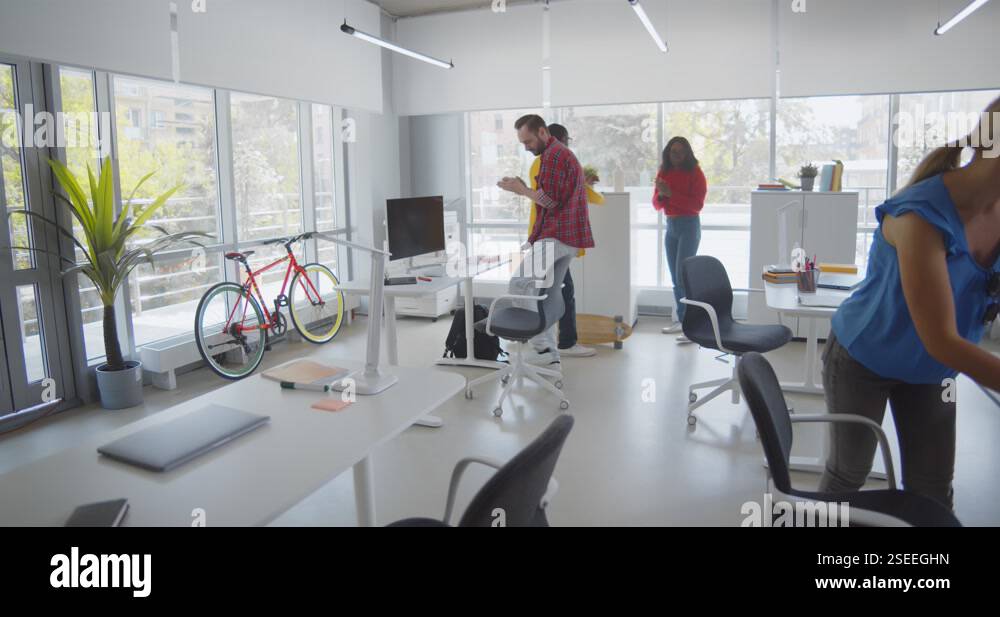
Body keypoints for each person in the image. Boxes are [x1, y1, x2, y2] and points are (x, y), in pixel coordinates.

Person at [820, 96, 1000, 509]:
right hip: (863, 358)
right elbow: (941, 340)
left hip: (933, 373)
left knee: (932, 488)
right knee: (849, 474)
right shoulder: (920, 216)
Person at [496, 115, 595, 367]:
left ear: (542, 132)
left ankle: (537, 346)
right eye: (522, 142)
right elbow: (552, 199)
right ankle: (546, 350)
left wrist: (520, 190)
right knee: (548, 293)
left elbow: (551, 202)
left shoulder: (553, 156)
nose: (526, 147)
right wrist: (521, 187)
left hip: (557, 235)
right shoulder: (559, 154)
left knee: (520, 284)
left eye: (528, 141)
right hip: (567, 237)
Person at [524, 123, 604, 358]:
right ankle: (560, 343)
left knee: (554, 288)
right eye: (566, 139)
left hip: (550, 236)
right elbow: (551, 199)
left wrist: (582, 183)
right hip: (553, 236)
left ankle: (554, 342)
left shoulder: (546, 161)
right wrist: (583, 185)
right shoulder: (551, 161)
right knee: (557, 289)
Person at [653, 137, 708, 334]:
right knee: (675, 279)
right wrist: (662, 194)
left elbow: (696, 206)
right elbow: (657, 204)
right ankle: (683, 320)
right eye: (673, 151)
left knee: (682, 276)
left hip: (689, 226)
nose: (676, 155)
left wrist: (670, 194)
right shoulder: (664, 172)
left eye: (680, 152)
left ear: (687, 153)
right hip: (672, 226)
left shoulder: (696, 173)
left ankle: (690, 323)